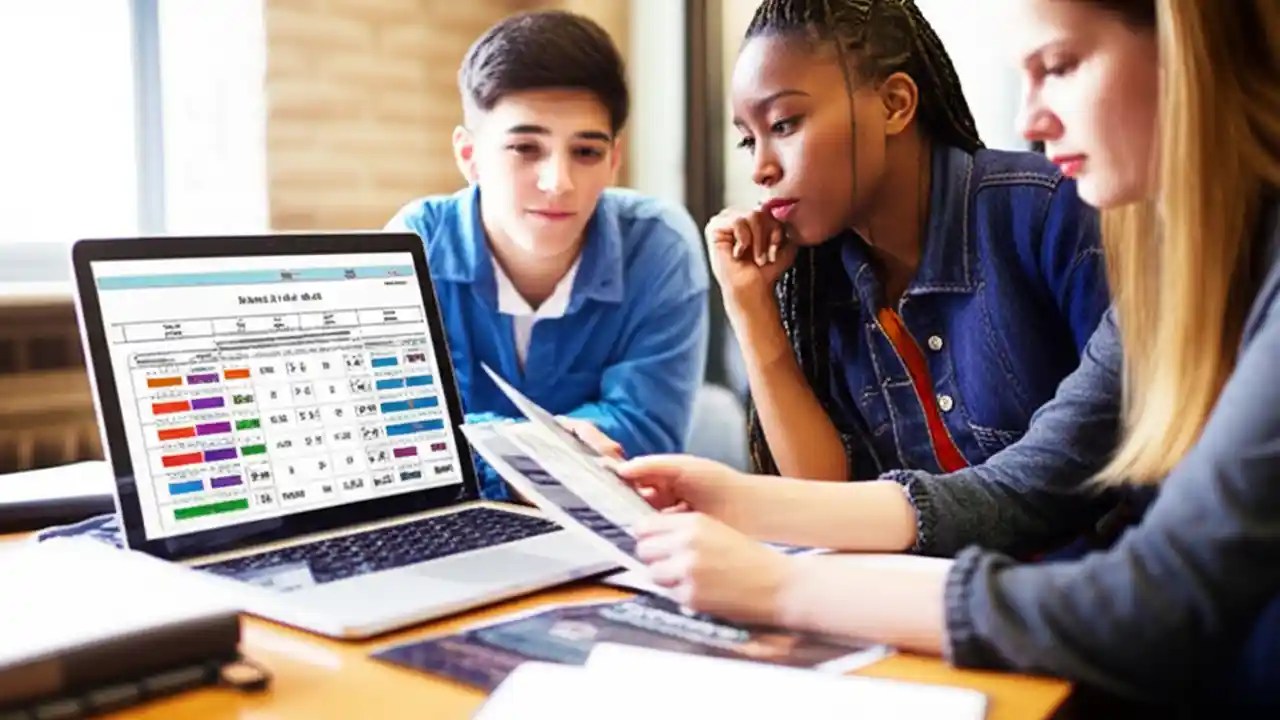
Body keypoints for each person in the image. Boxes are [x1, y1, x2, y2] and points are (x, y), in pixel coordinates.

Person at [618, 0, 1280, 705]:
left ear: (1187, 47)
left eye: (1059, 66)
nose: (1030, 122)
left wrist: (781, 585)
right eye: (749, 139)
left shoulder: (1058, 213)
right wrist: (731, 497)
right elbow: (1018, 488)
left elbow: (1154, 590)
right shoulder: (1184, 261)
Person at [707, 0, 1109, 483]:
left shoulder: (1050, 211)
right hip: (927, 561)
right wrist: (749, 305)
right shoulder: (820, 283)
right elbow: (825, 502)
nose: (761, 168)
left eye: (784, 124)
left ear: (895, 104)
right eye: (749, 140)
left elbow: (1119, 458)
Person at [386, 11, 709, 500]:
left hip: (609, 531)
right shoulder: (416, 245)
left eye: (586, 153)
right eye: (525, 148)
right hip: (457, 532)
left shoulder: (659, 246)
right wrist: (555, 449)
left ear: (614, 162)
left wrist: (488, 447)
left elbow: (647, 437)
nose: (557, 182)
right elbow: (403, 443)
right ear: (469, 156)